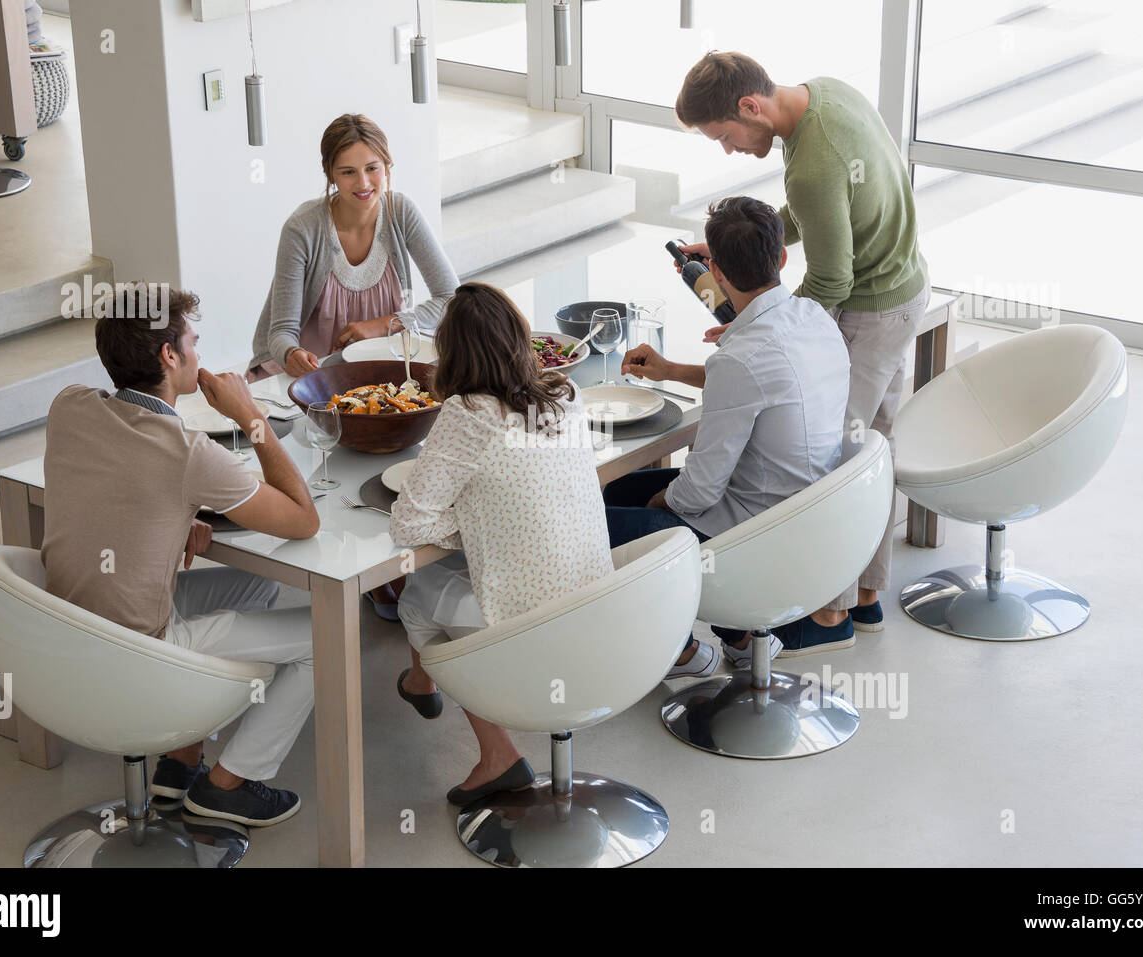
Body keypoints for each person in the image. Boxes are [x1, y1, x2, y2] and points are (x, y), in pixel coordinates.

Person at [41, 283, 320, 827]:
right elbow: (303, 519)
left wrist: (170, 510)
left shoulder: (69, 406)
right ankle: (230, 784)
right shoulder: (189, 453)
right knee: (326, 636)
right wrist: (248, 415)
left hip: (64, 637)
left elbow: (113, 478)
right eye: (193, 340)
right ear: (170, 356)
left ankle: (181, 757)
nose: (200, 350)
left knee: (259, 589)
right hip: (140, 656)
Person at [674, 52, 930, 632]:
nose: (729, 149)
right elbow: (815, 213)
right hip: (906, 287)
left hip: (869, 309)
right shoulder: (824, 96)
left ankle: (827, 610)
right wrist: (729, 252)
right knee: (871, 452)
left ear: (750, 106)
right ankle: (864, 595)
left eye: (726, 135)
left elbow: (832, 279)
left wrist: (763, 324)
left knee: (834, 463)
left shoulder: (811, 164)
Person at [389, 283, 614, 806]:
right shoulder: (566, 394)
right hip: (602, 616)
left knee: (417, 595)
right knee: (443, 583)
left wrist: (471, 521)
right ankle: (420, 684)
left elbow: (408, 526)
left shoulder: (468, 414)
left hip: (533, 635)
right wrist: (490, 516)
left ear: (452, 353)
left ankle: (497, 756)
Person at [613, 196, 850, 664]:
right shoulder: (814, 319)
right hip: (814, 522)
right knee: (616, 490)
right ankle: (743, 643)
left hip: (757, 543)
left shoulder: (740, 358)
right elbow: (760, 385)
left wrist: (663, 502)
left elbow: (698, 492)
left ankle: (685, 655)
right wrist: (672, 371)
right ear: (781, 258)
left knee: (590, 521)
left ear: (715, 272)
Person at [247, 113, 458, 383]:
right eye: (348, 172)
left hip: (377, 368)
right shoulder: (302, 228)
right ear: (330, 174)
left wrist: (384, 324)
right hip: (307, 376)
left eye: (372, 168)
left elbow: (451, 299)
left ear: (387, 166)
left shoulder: (401, 212)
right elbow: (280, 332)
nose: (363, 183)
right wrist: (292, 353)